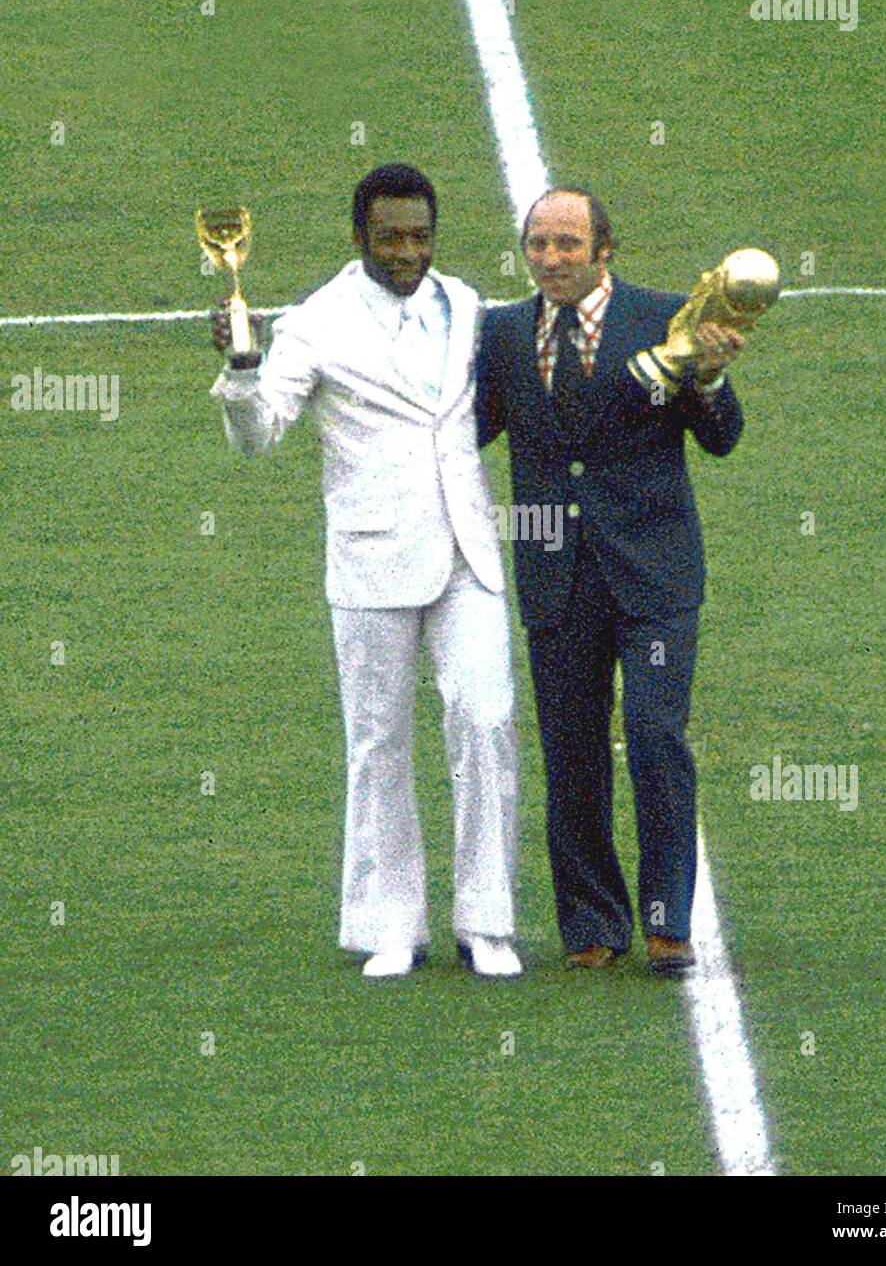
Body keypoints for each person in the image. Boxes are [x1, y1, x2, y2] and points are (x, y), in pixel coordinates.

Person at [209, 163, 521, 980]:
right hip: (371, 557)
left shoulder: (468, 306)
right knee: (379, 740)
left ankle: (486, 920)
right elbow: (258, 435)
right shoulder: (315, 322)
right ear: (359, 237)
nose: (406, 251)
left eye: (419, 235)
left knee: (485, 720)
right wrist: (241, 372)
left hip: (467, 552)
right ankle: (390, 924)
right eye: (390, 237)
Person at [475, 186, 747, 976]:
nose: (551, 259)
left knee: (657, 738)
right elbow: (467, 430)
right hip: (556, 576)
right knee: (571, 748)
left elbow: (722, 438)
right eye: (538, 245)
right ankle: (591, 923)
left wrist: (707, 378)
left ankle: (668, 920)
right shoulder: (500, 334)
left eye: (567, 244)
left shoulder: (668, 319)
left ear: (603, 250)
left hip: (654, 574)